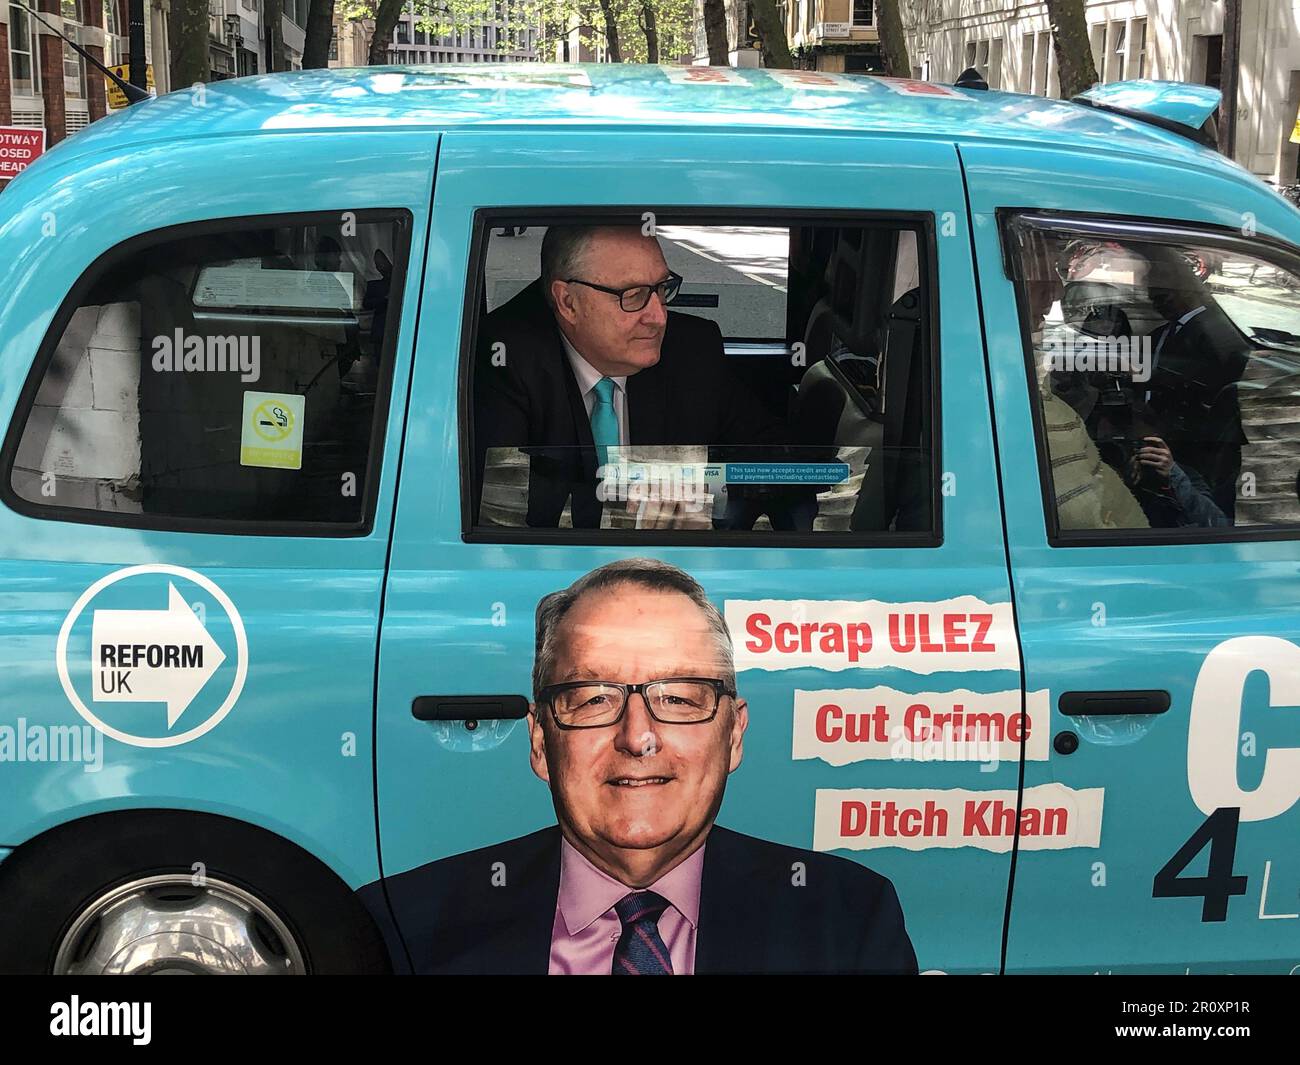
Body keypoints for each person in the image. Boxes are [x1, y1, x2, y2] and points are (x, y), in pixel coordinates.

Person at [366, 558, 917, 975]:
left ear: (734, 736)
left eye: (679, 697)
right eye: (592, 698)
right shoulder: (401, 930)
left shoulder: (849, 923)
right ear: (540, 743)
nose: (638, 737)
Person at [473, 225, 787, 529]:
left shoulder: (692, 347)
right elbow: (503, 501)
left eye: (662, 288)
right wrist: (642, 499)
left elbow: (772, 457)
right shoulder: (502, 357)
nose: (659, 317)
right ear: (568, 302)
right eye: (633, 295)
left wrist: (698, 486)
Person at [1142, 251, 1248, 520]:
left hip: (1196, 445)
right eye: (1152, 293)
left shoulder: (1217, 332)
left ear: (1184, 287)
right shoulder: (1161, 334)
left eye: (1161, 293)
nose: (1154, 300)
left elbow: (1215, 380)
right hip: (1159, 439)